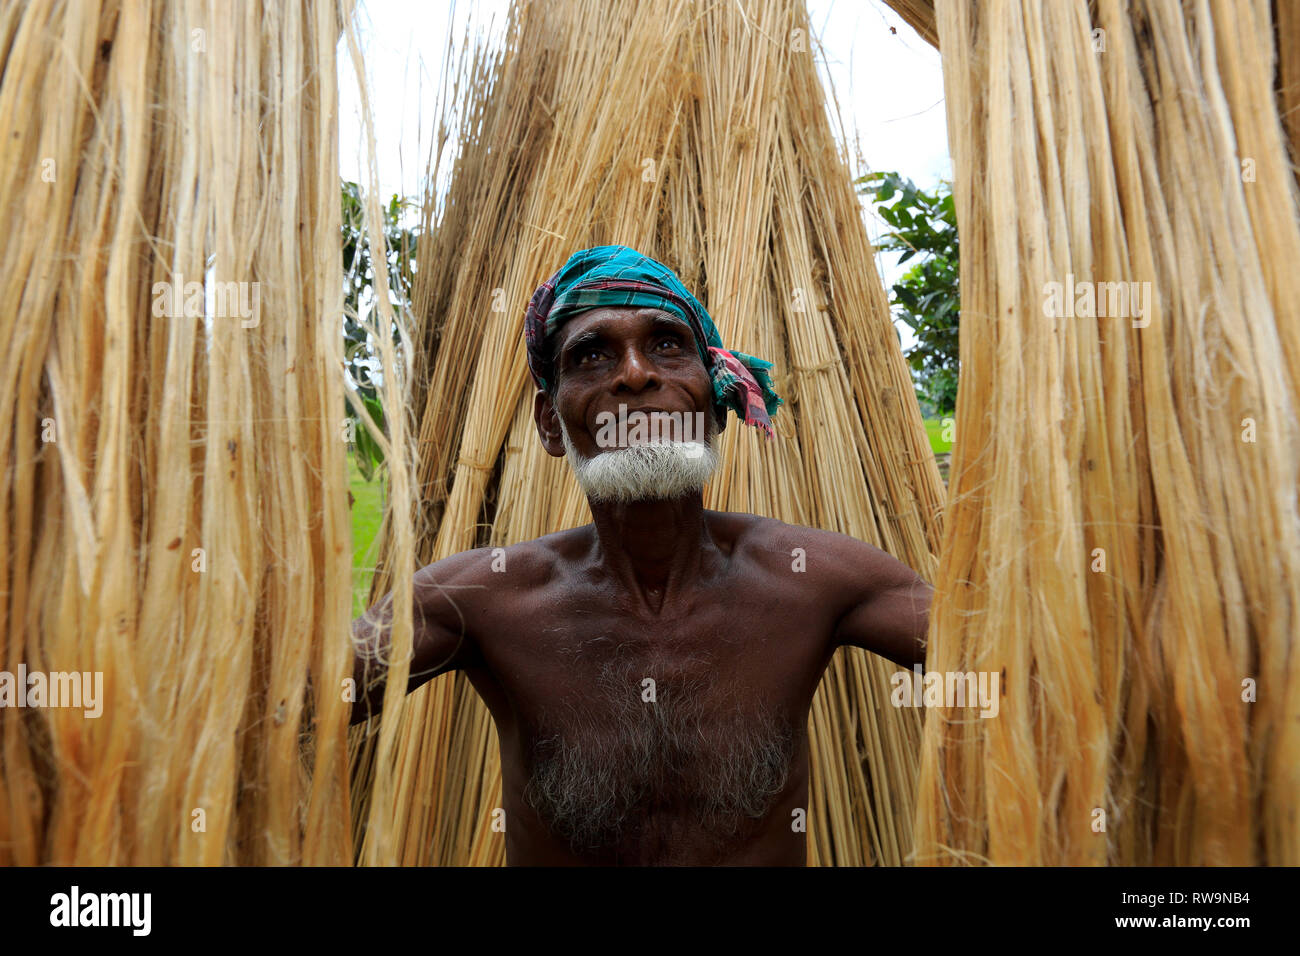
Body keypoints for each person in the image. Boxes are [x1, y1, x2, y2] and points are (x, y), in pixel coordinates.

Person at [350, 245, 932, 865]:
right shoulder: (484, 599)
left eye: (667, 345)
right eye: (591, 354)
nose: (633, 374)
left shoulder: (814, 580)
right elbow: (289, 705)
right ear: (551, 422)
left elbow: (1006, 668)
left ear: (716, 397)